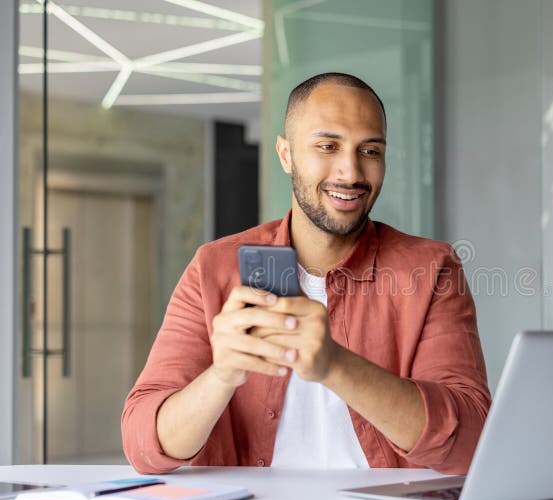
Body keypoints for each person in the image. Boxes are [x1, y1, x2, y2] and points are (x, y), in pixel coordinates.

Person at [121, 72, 491, 475]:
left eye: (369, 151)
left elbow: (471, 441)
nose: (350, 173)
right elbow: (142, 443)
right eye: (327, 146)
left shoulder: (432, 269)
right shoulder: (214, 267)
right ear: (286, 154)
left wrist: (334, 365)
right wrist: (222, 375)